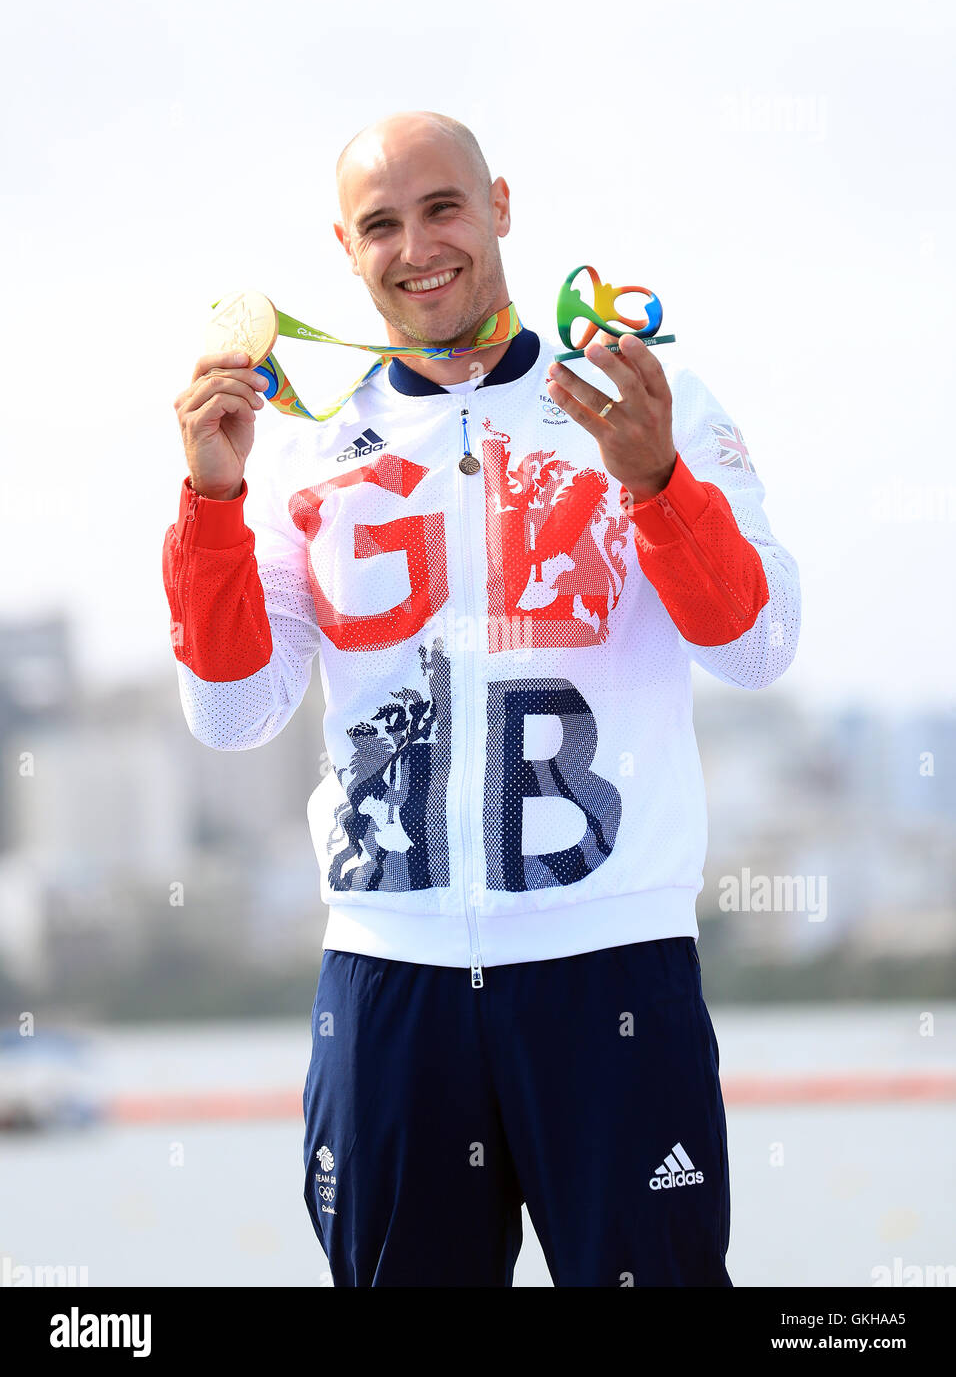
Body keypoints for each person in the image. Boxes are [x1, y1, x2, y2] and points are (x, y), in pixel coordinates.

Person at [164, 110, 800, 1287]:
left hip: (611, 964)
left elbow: (757, 645)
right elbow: (234, 712)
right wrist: (211, 507)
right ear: (345, 249)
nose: (418, 247)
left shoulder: (640, 395)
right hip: (385, 978)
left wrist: (657, 482)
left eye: (443, 208)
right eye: (381, 224)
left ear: (499, 204)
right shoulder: (307, 444)